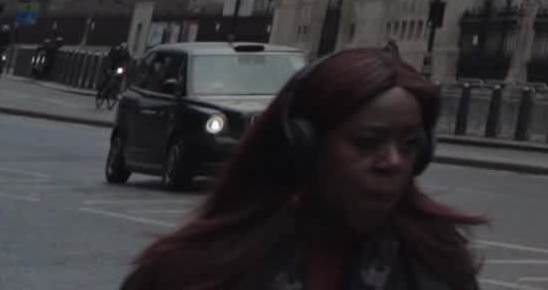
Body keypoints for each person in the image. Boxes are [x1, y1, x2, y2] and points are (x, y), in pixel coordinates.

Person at [118, 46, 479, 290]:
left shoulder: (438, 268)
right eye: (367, 142)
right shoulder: (192, 271)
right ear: (305, 143)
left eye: (411, 144)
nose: (392, 162)